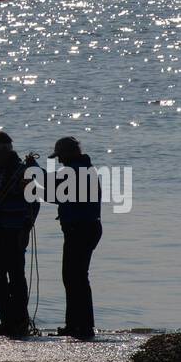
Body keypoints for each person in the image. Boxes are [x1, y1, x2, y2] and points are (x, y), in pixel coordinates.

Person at [0, 131, 39, 337]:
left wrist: (25, 229)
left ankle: (20, 321)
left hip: (15, 232)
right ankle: (7, 321)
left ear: (3, 150)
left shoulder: (23, 171)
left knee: (16, 277)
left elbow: (34, 204)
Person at [50, 136, 102, 340]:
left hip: (82, 230)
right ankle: (75, 324)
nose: (59, 160)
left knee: (76, 277)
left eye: (60, 155)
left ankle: (84, 327)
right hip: (83, 229)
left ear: (70, 153)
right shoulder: (81, 169)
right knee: (73, 277)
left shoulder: (76, 171)